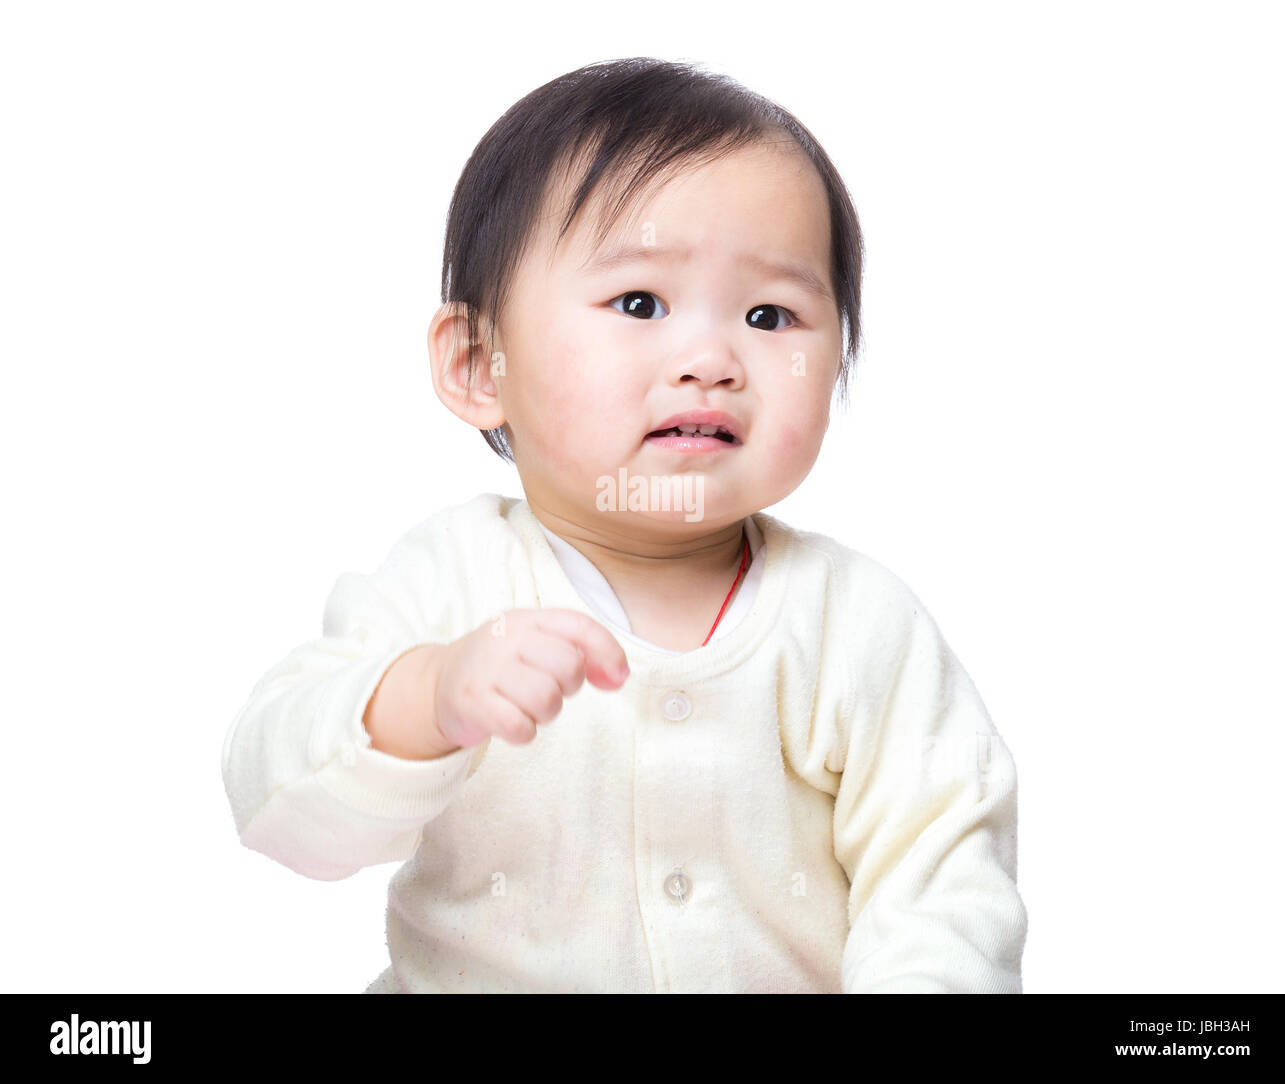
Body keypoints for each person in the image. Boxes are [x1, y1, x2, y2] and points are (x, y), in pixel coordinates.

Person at [221, 56, 1028, 993]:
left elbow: (945, 877)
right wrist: (426, 698)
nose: (711, 358)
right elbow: (275, 804)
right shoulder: (449, 581)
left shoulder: (857, 622)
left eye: (771, 314)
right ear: (482, 363)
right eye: (640, 303)